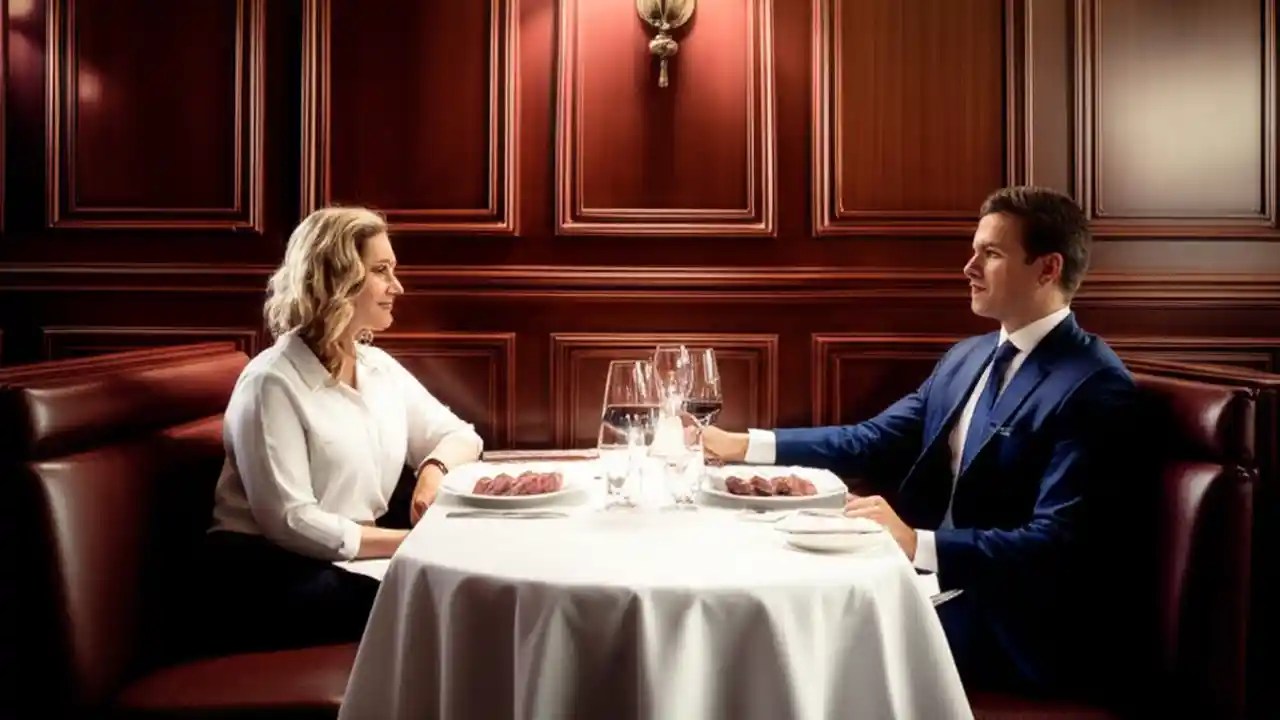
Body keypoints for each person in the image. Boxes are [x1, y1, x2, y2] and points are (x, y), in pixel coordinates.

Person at [703, 186, 1139, 697]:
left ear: (1047, 269)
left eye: (991, 254)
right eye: (975, 250)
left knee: (797, 643)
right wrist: (741, 444)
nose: (968, 267)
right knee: (770, 604)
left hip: (1010, 624)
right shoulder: (967, 356)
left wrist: (915, 543)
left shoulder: (1094, 385)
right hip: (926, 586)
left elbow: (1058, 545)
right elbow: (869, 440)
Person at [200, 206, 483, 653]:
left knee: (461, 594)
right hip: (270, 573)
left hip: (349, 559)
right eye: (381, 271)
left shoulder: (376, 367)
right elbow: (291, 521)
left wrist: (432, 471)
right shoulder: (271, 382)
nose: (397, 287)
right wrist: (411, 543)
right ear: (338, 279)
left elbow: (461, 435)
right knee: (445, 603)